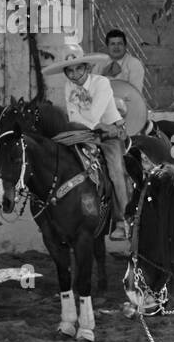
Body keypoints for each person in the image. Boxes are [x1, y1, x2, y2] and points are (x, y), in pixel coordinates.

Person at [43, 44, 130, 240]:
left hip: (111, 134)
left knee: (116, 171)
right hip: (86, 134)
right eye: (70, 71)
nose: (74, 74)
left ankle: (123, 220)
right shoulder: (69, 87)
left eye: (78, 68)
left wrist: (90, 120)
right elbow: (75, 120)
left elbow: (91, 115)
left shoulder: (101, 83)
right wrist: (87, 120)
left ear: (87, 67)